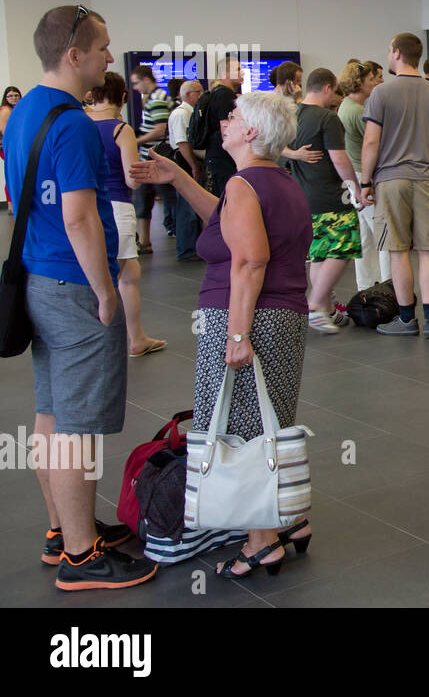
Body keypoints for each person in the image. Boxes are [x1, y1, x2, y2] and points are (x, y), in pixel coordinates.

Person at [131, 91, 313, 578]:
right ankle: (287, 517)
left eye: (233, 118)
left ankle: (260, 541)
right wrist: (180, 177)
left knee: (239, 427)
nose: (225, 122)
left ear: (251, 132)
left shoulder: (244, 184)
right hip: (282, 317)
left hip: (248, 318)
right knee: (267, 421)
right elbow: (227, 221)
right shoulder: (271, 181)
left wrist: (236, 333)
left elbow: (250, 259)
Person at [8, 5, 155, 590]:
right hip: (72, 285)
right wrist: (106, 291)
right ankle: (79, 555)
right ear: (74, 55)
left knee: (52, 413)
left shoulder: (24, 112)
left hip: (38, 280)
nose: (109, 58)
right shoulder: (70, 122)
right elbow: (78, 218)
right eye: (102, 48)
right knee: (78, 426)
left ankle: (61, 530)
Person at [359, 32, 429, 336]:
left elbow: (371, 141)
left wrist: (364, 181)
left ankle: (405, 318)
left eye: (389, 50)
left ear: (397, 53)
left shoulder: (381, 94)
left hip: (390, 180)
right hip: (427, 180)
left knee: (397, 251)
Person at [86, 72, 168, 358]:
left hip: (85, 207)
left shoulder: (79, 124)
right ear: (122, 97)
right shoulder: (121, 129)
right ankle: (136, 338)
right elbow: (132, 179)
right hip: (117, 205)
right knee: (128, 274)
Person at [286, 67, 367, 332]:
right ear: (328, 88)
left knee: (320, 253)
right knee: (345, 245)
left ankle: (323, 309)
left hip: (302, 196)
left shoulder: (291, 114)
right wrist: (355, 186)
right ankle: (315, 304)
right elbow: (339, 158)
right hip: (328, 195)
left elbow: (275, 147)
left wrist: (295, 155)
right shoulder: (327, 119)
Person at [337, 60, 389, 289]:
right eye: (373, 79)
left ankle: (367, 286)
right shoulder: (358, 112)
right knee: (384, 238)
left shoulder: (346, 106)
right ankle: (389, 287)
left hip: (354, 175)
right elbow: (375, 143)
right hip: (362, 174)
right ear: (360, 83)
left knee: (366, 238)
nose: (378, 82)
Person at [129, 65, 175, 253]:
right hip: (149, 159)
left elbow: (159, 130)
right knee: (143, 199)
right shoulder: (154, 98)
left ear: (146, 80)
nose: (135, 88)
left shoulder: (156, 99)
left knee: (169, 199)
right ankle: (144, 241)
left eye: (136, 83)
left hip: (156, 158)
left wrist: (135, 141)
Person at [167, 79, 204, 261]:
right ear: (189, 94)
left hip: (187, 160)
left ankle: (192, 246)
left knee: (192, 203)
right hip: (184, 161)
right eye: (199, 92)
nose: (202, 95)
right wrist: (194, 166)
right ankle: (187, 249)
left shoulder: (191, 113)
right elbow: (183, 143)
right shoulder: (182, 114)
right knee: (187, 205)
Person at [201, 55, 244, 198]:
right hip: (223, 159)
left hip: (218, 157)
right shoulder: (224, 95)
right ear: (226, 74)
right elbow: (225, 129)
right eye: (237, 69)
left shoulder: (220, 93)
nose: (242, 72)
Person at [0, 85, 21, 210]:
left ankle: (12, 204)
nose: (14, 98)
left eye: (16, 95)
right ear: (5, 98)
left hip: (13, 146)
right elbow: (4, 131)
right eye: (10, 96)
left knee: (15, 172)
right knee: (12, 173)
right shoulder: (6, 110)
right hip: (8, 147)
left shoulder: (17, 109)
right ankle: (11, 205)